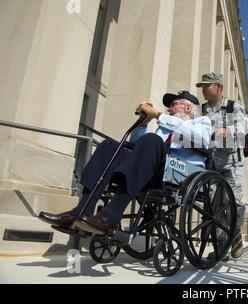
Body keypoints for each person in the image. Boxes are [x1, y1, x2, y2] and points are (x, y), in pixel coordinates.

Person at [38, 91, 212, 235]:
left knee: (152, 140)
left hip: (179, 174)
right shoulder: (164, 126)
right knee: (109, 146)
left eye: (174, 104)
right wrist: (143, 123)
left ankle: (113, 214)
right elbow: (137, 146)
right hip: (149, 170)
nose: (169, 108)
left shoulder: (201, 123)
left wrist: (159, 116)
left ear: (188, 107)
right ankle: (81, 210)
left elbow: (200, 139)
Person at [196, 72, 248, 259]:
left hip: (230, 163)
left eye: (206, 85)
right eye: (202, 86)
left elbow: (243, 129)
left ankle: (235, 233)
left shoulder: (233, 107)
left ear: (218, 87)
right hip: (210, 165)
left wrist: (226, 130)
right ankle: (221, 249)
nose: (203, 89)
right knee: (213, 205)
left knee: (233, 203)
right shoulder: (201, 110)